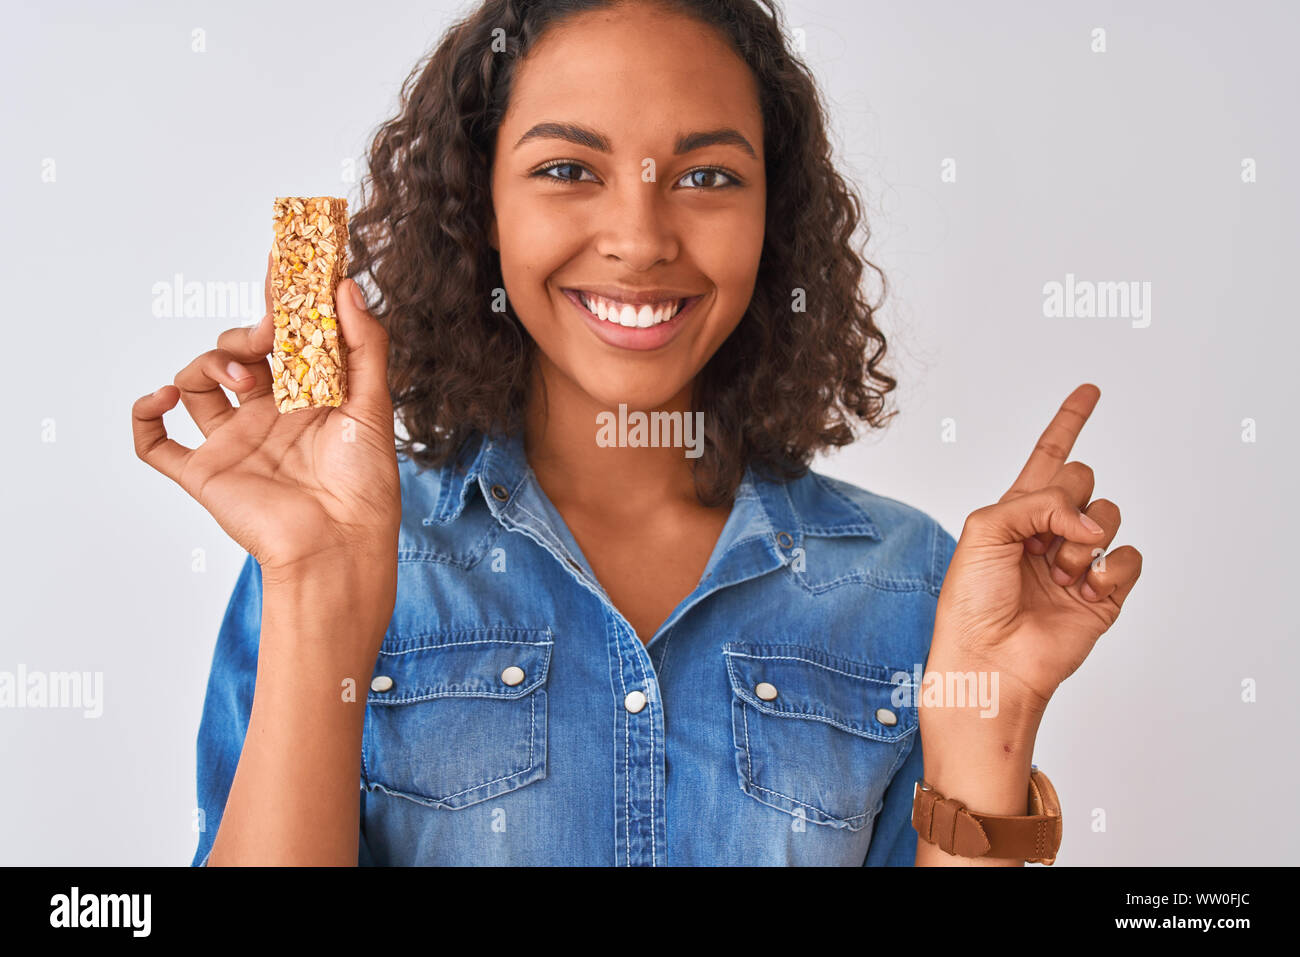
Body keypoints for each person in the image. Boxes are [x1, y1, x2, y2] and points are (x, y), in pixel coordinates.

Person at [131, 0, 1142, 866]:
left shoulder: (912, 582)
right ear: (481, 206)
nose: (640, 240)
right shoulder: (331, 552)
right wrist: (316, 584)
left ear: (772, 219)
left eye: (705, 179)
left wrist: (990, 722)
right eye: (569, 168)